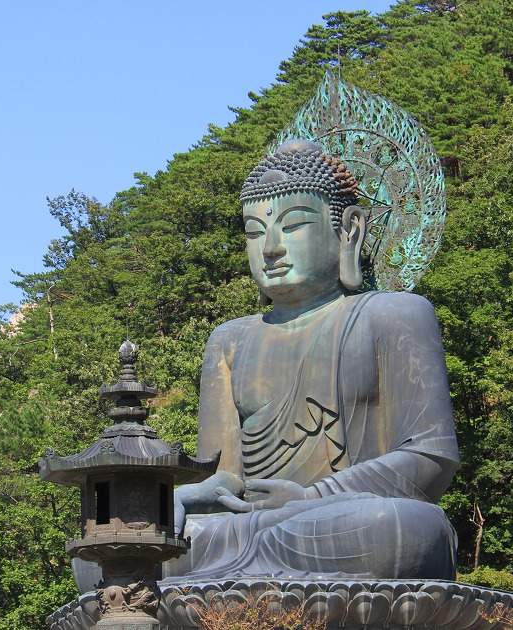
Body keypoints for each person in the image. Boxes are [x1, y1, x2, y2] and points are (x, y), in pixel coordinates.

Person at [164, 139, 460, 581]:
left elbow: (431, 459)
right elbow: (224, 476)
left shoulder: (394, 314)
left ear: (350, 230)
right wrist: (183, 497)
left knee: (402, 528)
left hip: (343, 521)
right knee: (133, 549)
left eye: (294, 225)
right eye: (253, 231)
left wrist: (312, 498)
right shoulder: (229, 339)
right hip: (247, 527)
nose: (270, 248)